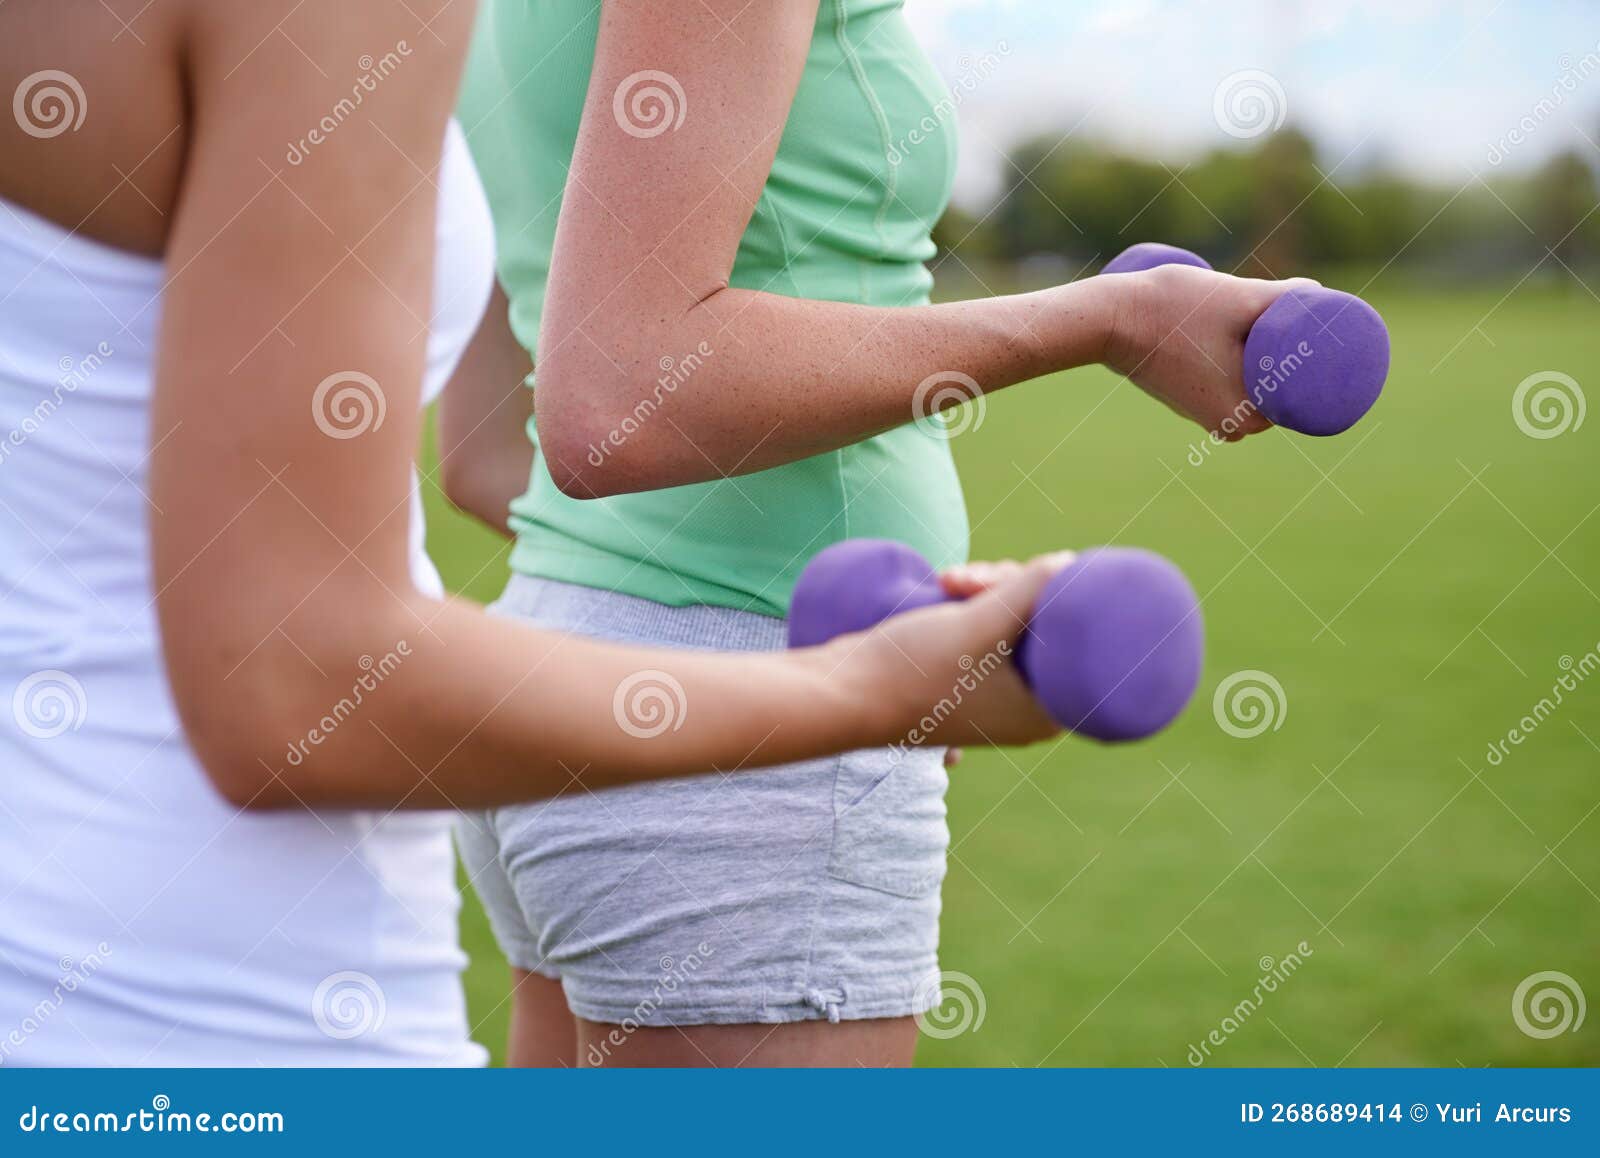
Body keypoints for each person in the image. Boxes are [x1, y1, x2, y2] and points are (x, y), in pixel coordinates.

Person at [0, 0, 1065, 1066]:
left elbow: (483, 457)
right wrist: (868, 689)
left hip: (95, 901)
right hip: (237, 1003)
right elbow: (292, 680)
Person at [450, 0, 1309, 1066]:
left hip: (556, 671)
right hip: (750, 742)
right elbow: (617, 403)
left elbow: (481, 456)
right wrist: (1108, 318)